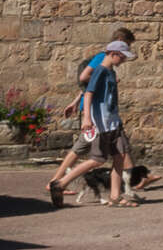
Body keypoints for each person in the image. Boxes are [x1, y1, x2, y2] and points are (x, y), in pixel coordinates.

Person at [48, 28, 141, 205]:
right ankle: (60, 183)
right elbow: (89, 94)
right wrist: (87, 119)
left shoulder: (111, 72)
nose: (123, 60)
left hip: (114, 123)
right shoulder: (100, 70)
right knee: (96, 160)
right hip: (101, 124)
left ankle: (115, 196)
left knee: (120, 156)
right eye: (122, 56)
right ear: (113, 53)